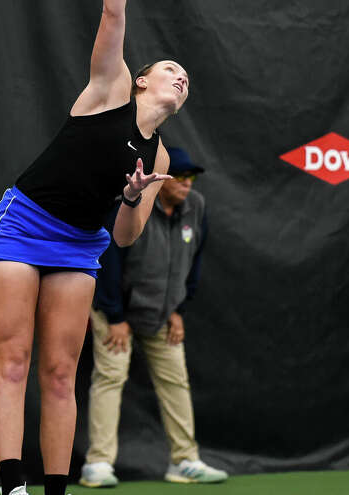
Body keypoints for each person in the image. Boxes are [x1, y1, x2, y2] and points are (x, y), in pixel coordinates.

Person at [0, 0, 190, 495]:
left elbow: (126, 236)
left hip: (81, 244)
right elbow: (113, 12)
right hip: (24, 224)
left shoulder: (162, 158)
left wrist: (131, 196)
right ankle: (12, 488)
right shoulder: (111, 86)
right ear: (144, 77)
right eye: (172, 69)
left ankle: (52, 492)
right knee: (14, 360)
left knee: (60, 372)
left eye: (188, 80)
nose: (181, 78)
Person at [79, 146, 228, 488]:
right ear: (160, 180)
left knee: (176, 381)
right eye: (181, 177)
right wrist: (115, 316)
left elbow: (194, 261)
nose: (188, 184)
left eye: (191, 178)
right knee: (111, 377)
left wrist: (178, 309)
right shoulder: (130, 208)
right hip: (115, 311)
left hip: (161, 314)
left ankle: (185, 461)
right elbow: (107, 262)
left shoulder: (197, 208)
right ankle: (98, 464)